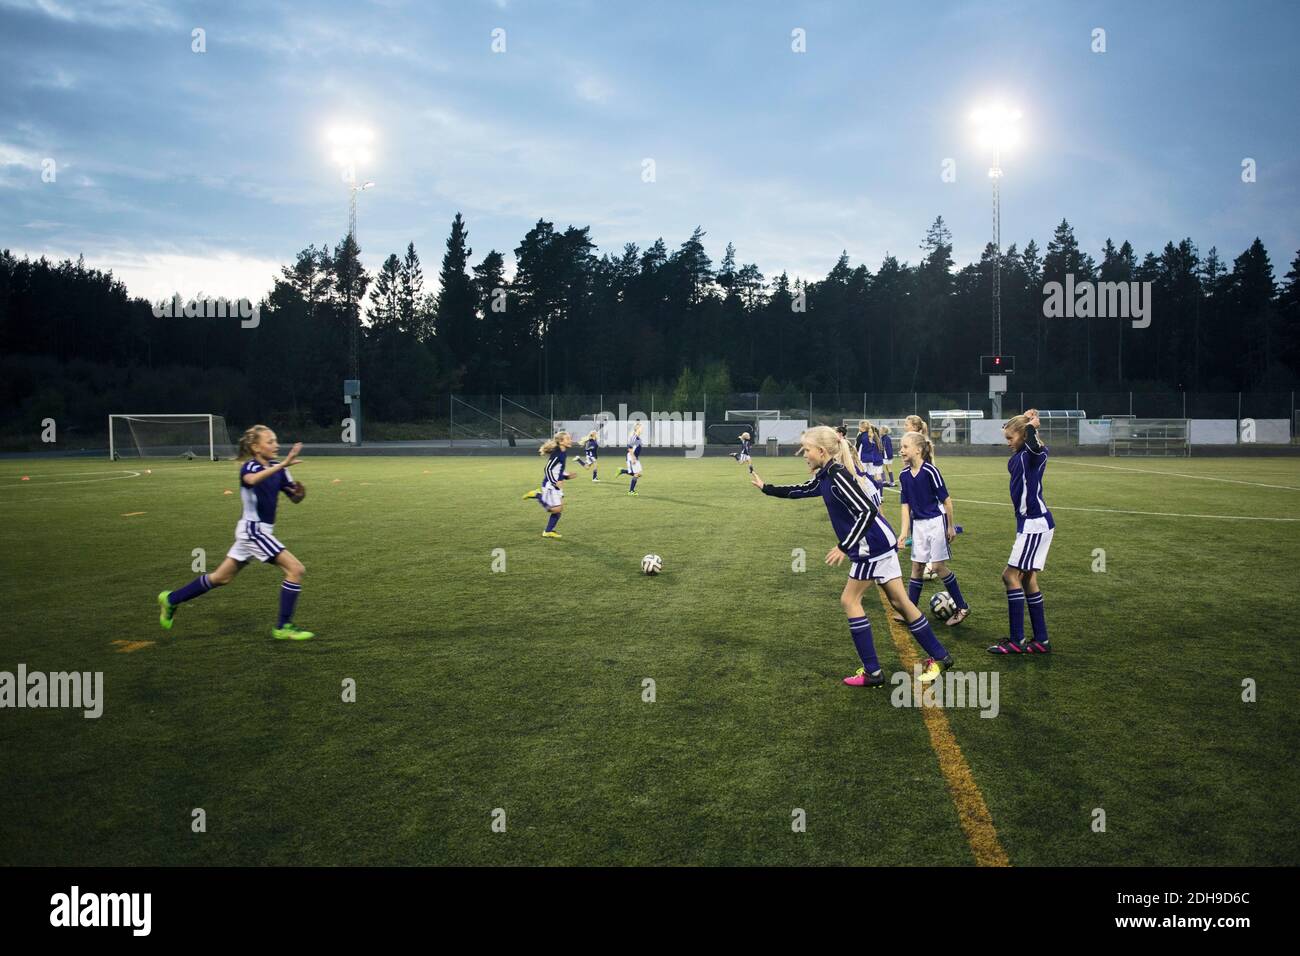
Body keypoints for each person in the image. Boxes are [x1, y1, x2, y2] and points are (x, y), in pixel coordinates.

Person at [751, 425, 954, 687]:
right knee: (900, 602)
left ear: (821, 451)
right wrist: (767, 487)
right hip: (880, 542)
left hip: (871, 547)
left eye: (807, 449)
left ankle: (873, 673)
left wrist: (843, 546)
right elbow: (800, 490)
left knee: (850, 600)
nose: (803, 454)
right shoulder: (826, 475)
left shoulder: (836, 477)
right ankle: (940, 656)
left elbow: (867, 511)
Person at [157, 425, 313, 640]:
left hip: (258, 531)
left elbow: (293, 497)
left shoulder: (279, 468)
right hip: (253, 530)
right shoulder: (249, 468)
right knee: (295, 569)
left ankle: (171, 599)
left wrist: (299, 493)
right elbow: (252, 481)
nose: (276, 445)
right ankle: (283, 626)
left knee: (221, 578)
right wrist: (284, 464)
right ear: (256, 448)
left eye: (276, 440)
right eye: (270, 442)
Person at [989, 409, 1053, 654]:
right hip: (1030, 524)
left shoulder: (1035, 453)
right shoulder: (1021, 453)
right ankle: (1041, 640)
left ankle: (1017, 640)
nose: (1008, 443)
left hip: (1035, 523)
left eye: (1010, 439)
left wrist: (1031, 427)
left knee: (1009, 576)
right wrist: (1024, 420)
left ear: (1024, 437)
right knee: (1027, 578)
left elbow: (1035, 446)